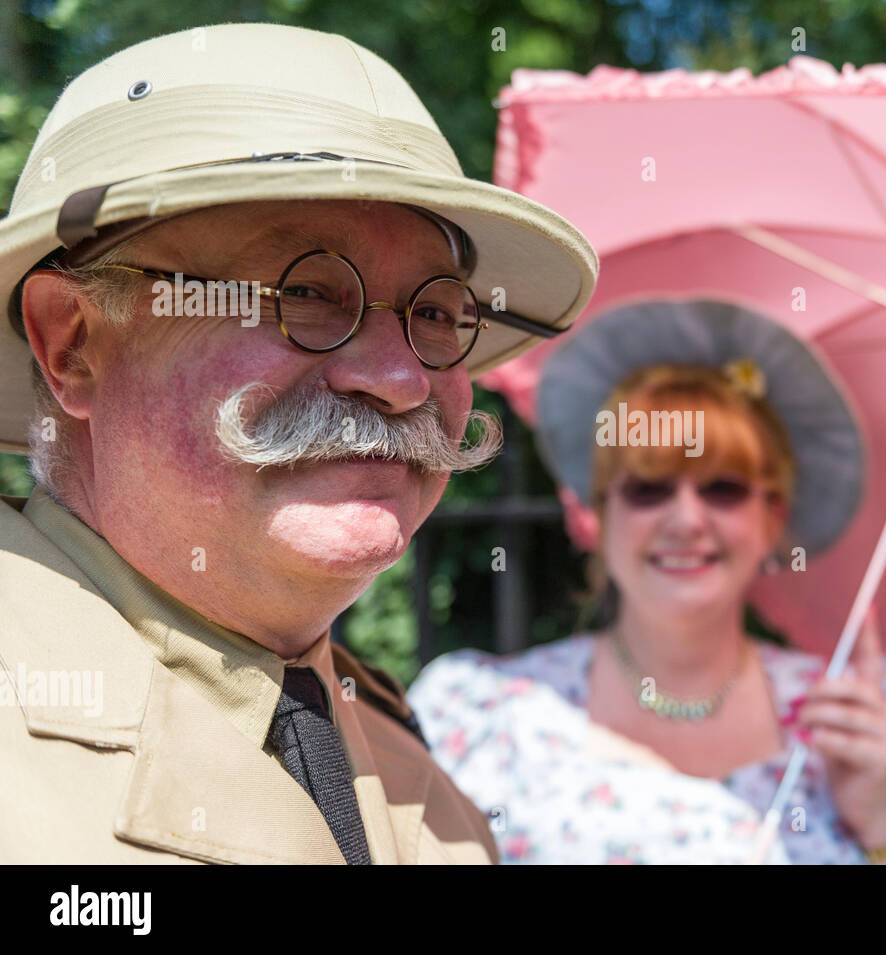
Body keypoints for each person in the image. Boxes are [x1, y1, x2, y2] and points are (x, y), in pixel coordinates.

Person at [0, 23, 596, 863]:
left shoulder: (412, 772)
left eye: (433, 313)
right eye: (307, 292)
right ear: (72, 344)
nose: (401, 379)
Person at [408, 299, 886, 864]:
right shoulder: (486, 718)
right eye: (649, 489)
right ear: (598, 515)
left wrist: (880, 827)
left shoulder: (868, 723)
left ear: (772, 517)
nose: (687, 520)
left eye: (723, 488)